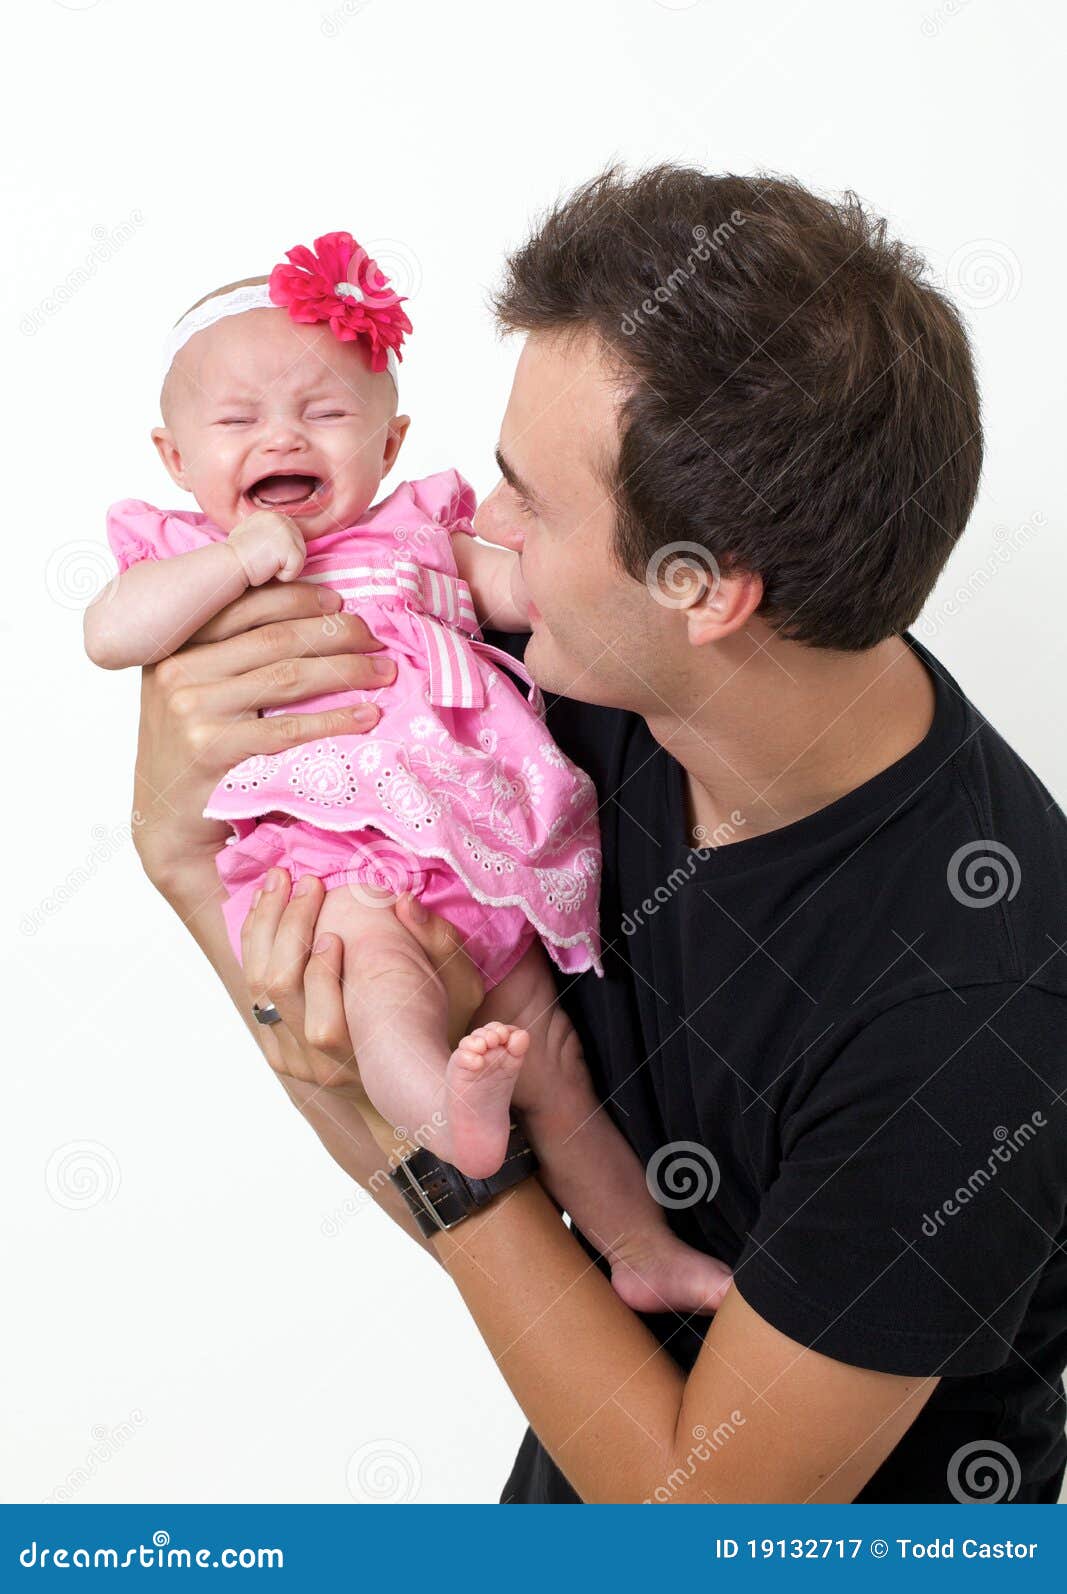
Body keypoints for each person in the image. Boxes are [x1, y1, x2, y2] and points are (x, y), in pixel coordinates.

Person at [132, 167, 1067, 1504]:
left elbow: (693, 1519)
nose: (473, 525)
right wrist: (175, 821)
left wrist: (441, 1160)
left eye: (528, 501)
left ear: (707, 590)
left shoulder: (965, 1018)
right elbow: (327, 987)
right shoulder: (563, 663)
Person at [87, 229, 733, 1311]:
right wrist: (234, 562)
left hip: (478, 858)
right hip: (335, 868)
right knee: (384, 992)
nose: (282, 435)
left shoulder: (421, 527)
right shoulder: (181, 552)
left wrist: (639, 567)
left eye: (325, 414)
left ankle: (638, 1249)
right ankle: (445, 1122)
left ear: (389, 446)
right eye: (238, 420)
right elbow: (113, 632)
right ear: (174, 459)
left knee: (557, 1061)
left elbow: (524, 590)